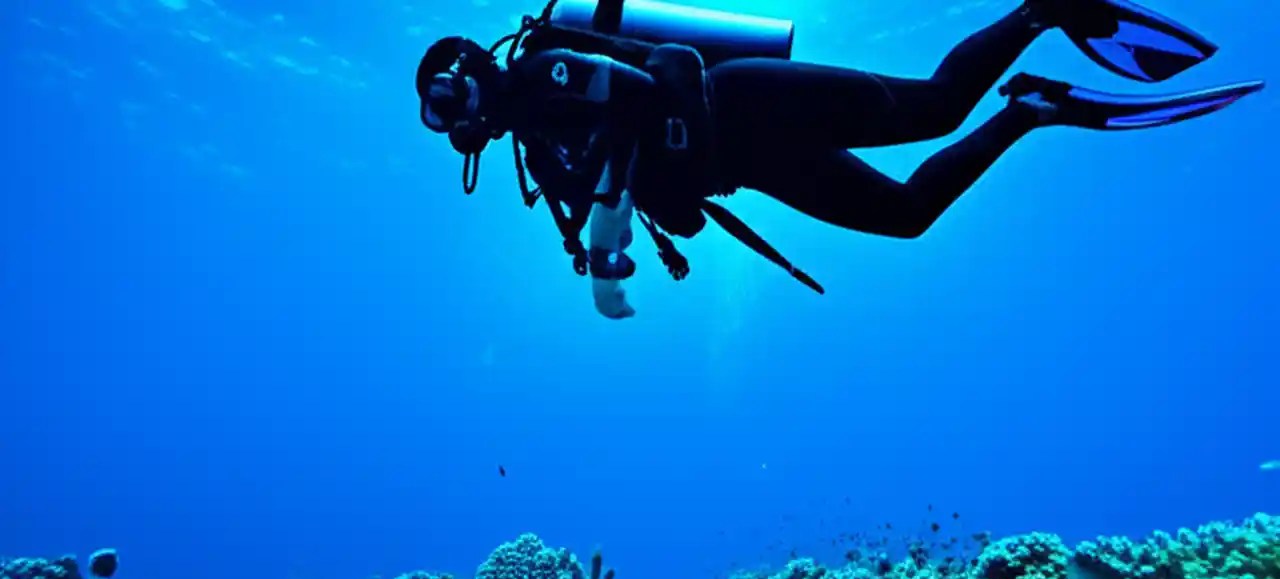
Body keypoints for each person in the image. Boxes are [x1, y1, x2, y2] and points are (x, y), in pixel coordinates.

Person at [415, 0, 1262, 319]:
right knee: (905, 218)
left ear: (467, 78)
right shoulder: (540, 145)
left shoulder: (542, 73)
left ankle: (1042, 12)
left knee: (934, 108)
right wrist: (610, 251)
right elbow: (643, 209)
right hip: (750, 162)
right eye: (441, 122)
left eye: (446, 105)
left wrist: (616, 200)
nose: (455, 127)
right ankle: (1036, 110)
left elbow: (669, 69)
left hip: (747, 100)